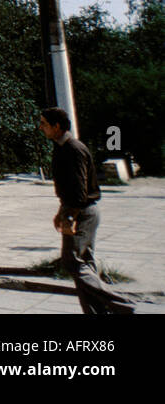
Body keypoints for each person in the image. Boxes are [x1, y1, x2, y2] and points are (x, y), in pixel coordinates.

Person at [39, 107, 135, 314]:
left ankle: (121, 303)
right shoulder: (61, 147)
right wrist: (61, 211)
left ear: (57, 127)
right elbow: (68, 188)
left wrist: (69, 216)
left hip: (82, 212)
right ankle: (96, 311)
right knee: (85, 265)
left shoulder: (74, 149)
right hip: (78, 209)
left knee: (72, 261)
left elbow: (79, 190)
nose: (41, 128)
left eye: (44, 123)